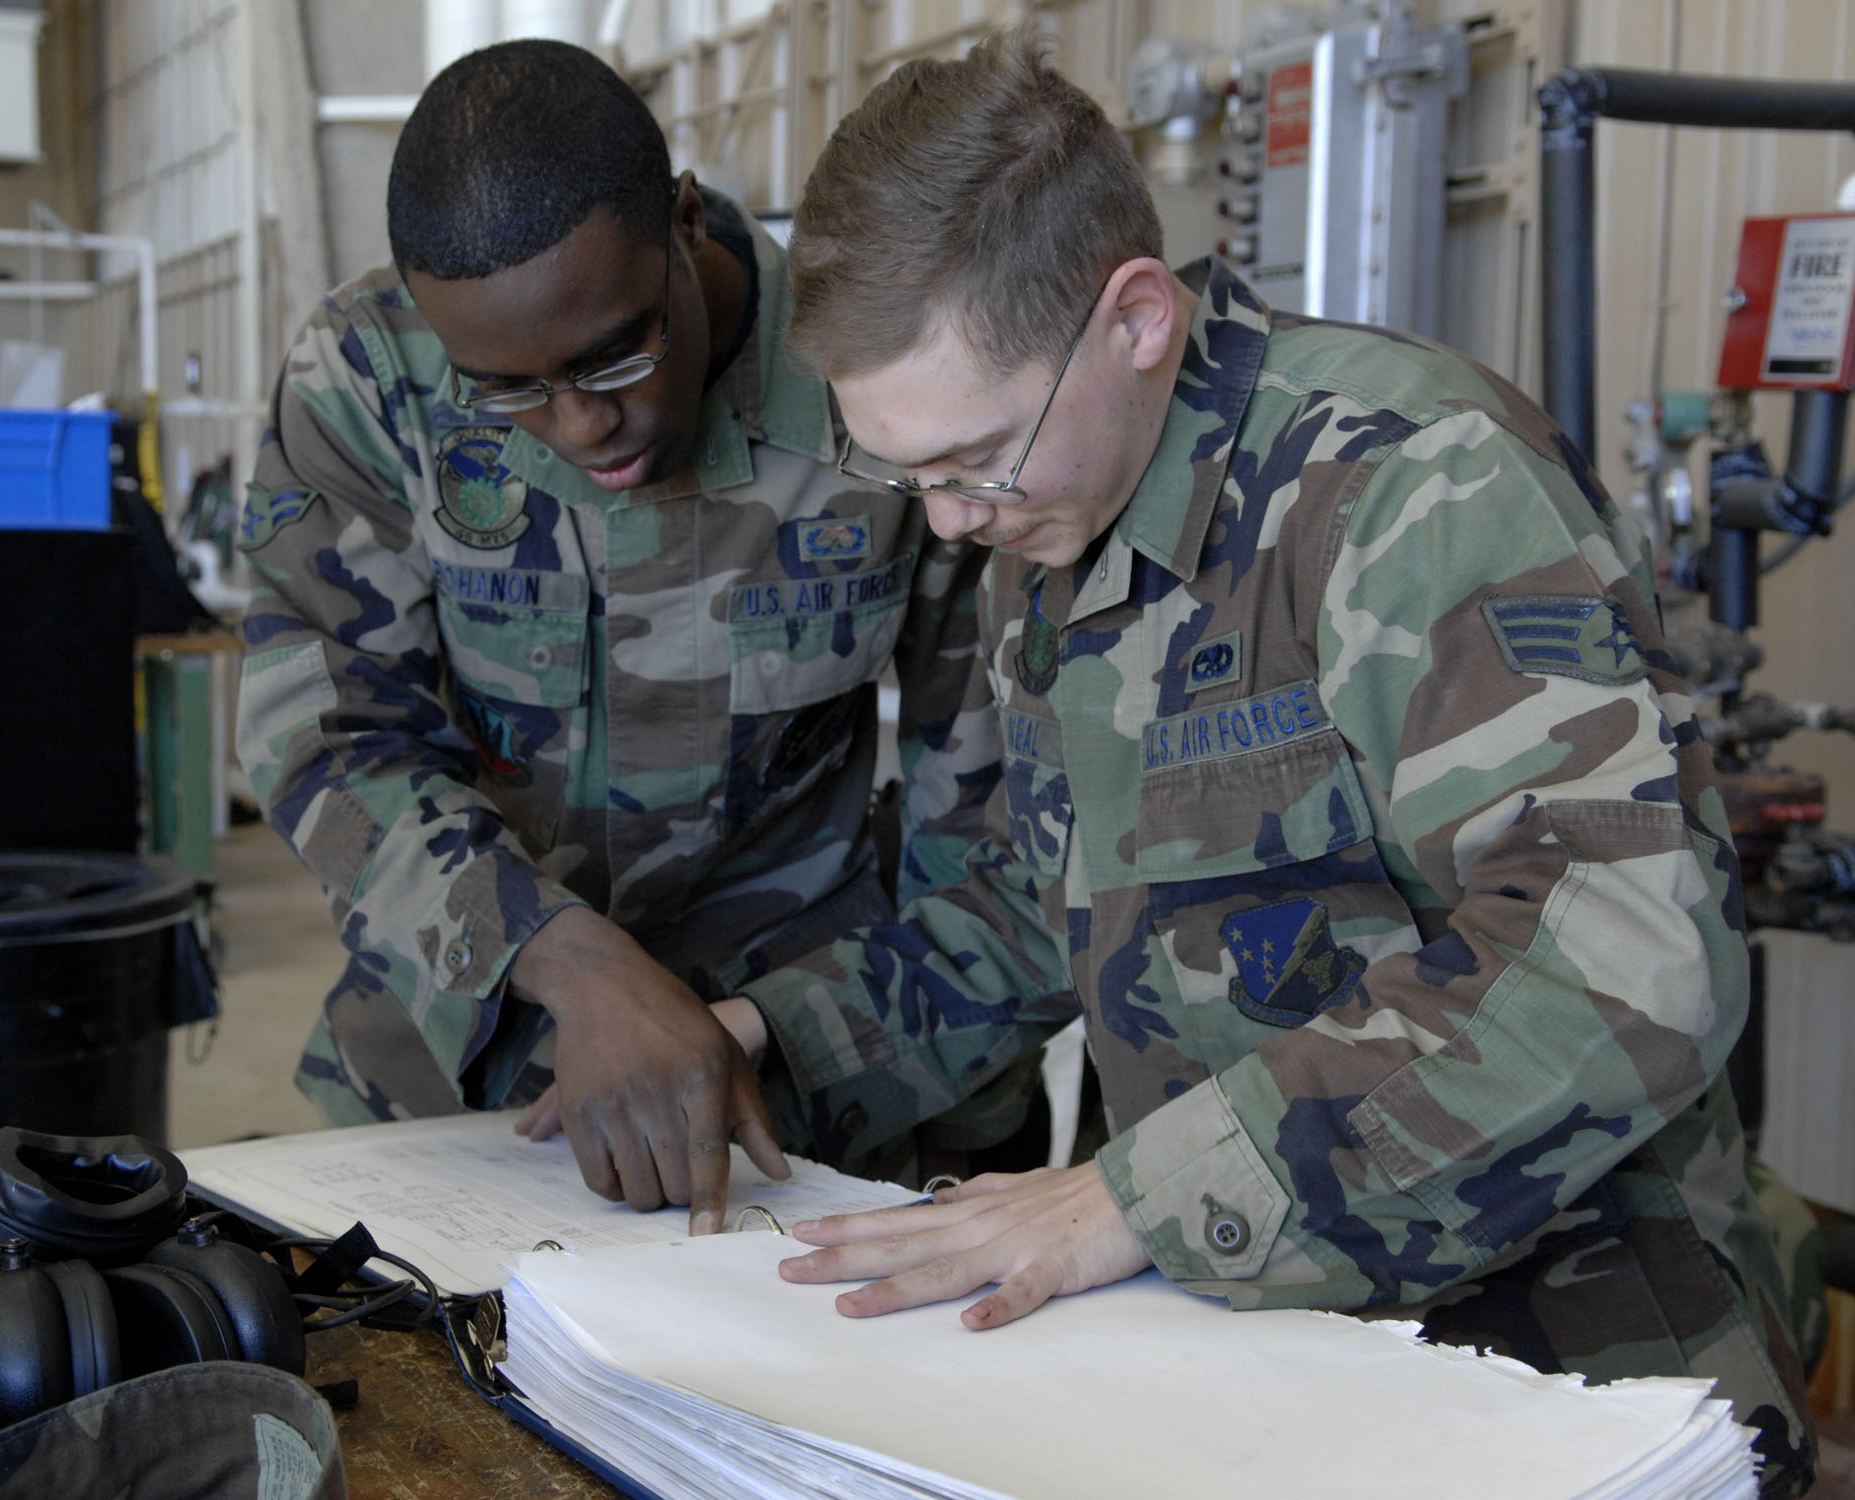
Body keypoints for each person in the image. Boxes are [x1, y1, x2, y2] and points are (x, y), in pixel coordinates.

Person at [727, 30, 1816, 1496]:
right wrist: (760, 1045)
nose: (948, 522)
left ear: (1136, 318)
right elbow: (1052, 909)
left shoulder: (1408, 487)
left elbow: (1626, 956)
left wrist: (1136, 1200)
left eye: (975, 460)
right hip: (1239, 1340)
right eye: (906, 473)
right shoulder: (1054, 522)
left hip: (1563, 1351)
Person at [234, 39, 1020, 1236]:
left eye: (620, 350)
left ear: (684, 220)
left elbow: (991, 819)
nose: (583, 423)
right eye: (508, 390)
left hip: (799, 1097)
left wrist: (969, 1148)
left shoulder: (870, 369)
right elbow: (332, 742)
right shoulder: (368, 374)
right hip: (449, 1083)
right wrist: (569, 961)